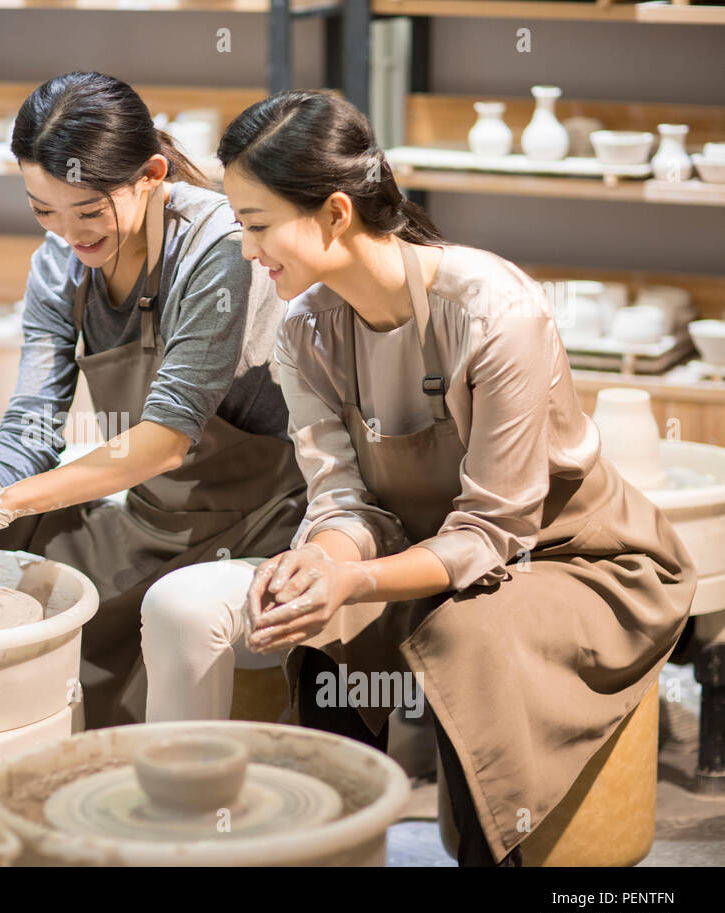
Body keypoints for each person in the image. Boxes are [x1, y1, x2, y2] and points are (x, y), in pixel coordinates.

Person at [139, 90, 696, 866]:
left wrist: (356, 584)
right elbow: (341, 496)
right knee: (312, 619)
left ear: (336, 213)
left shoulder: (494, 311)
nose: (245, 247)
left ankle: (490, 855)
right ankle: (326, 849)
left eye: (257, 224)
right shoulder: (306, 333)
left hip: (574, 560)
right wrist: (323, 564)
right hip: (430, 556)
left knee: (464, 632)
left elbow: (495, 528)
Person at [0, 72, 307, 728]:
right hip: (156, 513)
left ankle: (169, 805)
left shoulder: (215, 244)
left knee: (120, 612)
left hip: (262, 517)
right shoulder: (57, 266)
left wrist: (4, 505)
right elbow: (33, 424)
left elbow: (164, 438)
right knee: (18, 596)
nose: (70, 234)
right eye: (44, 211)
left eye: (90, 211)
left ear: (151, 174)